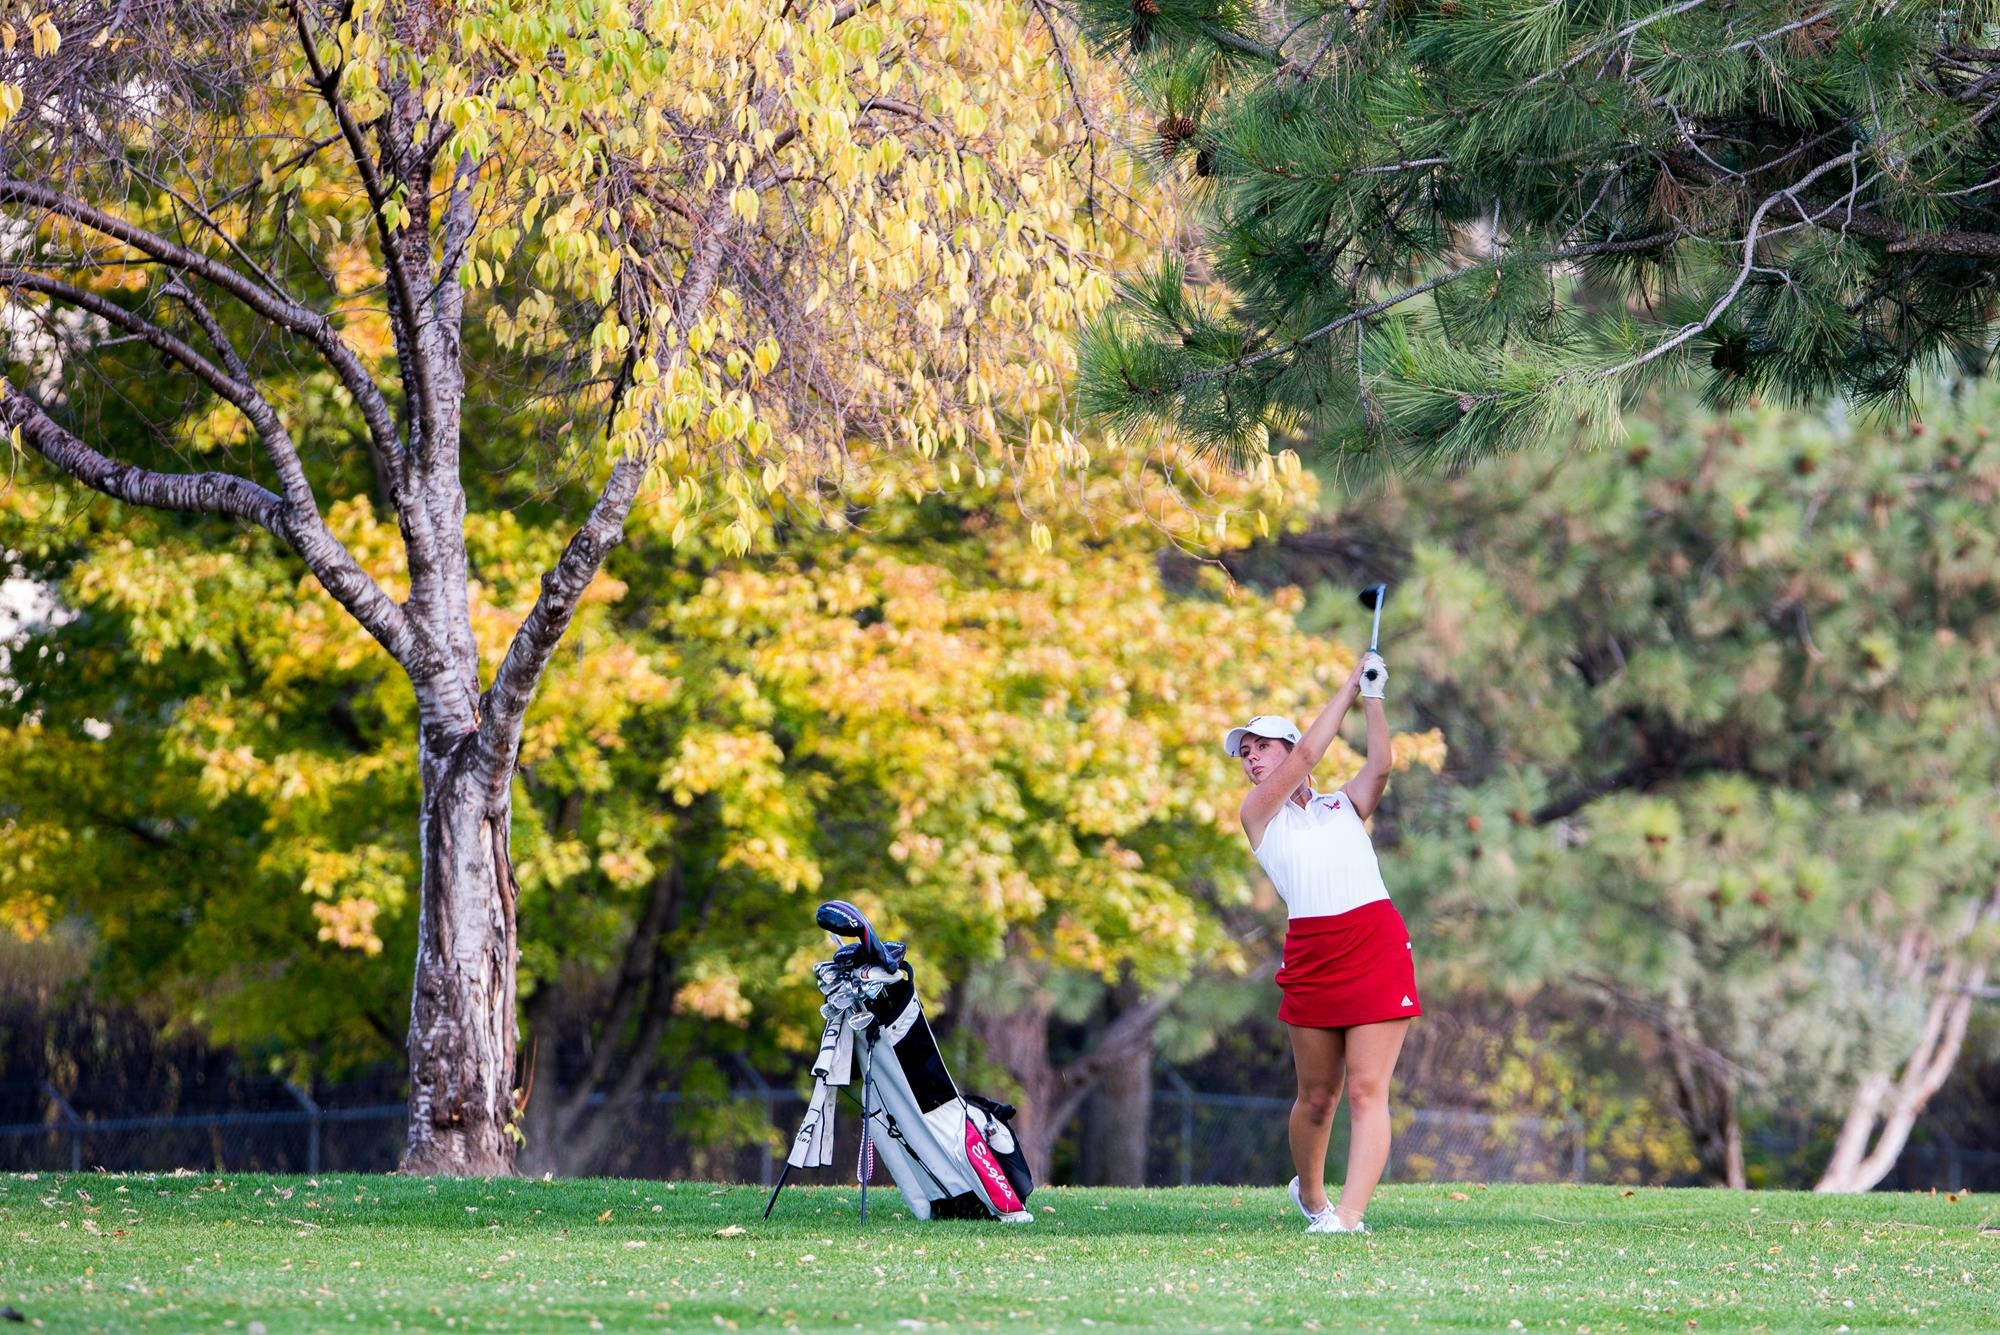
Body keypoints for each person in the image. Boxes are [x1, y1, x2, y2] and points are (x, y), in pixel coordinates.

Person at [1225, 649, 1418, 1235]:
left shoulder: (1341, 805)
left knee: (1367, 1089)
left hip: (1375, 942)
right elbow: (1311, 753)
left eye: (1262, 746)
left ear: (1286, 748)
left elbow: (1380, 766)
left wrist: (1373, 696)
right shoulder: (1259, 815)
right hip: (1312, 952)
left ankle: (1349, 1217)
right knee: (1317, 1098)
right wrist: (1349, 684)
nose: (1251, 758)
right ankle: (1312, 1198)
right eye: (1245, 752)